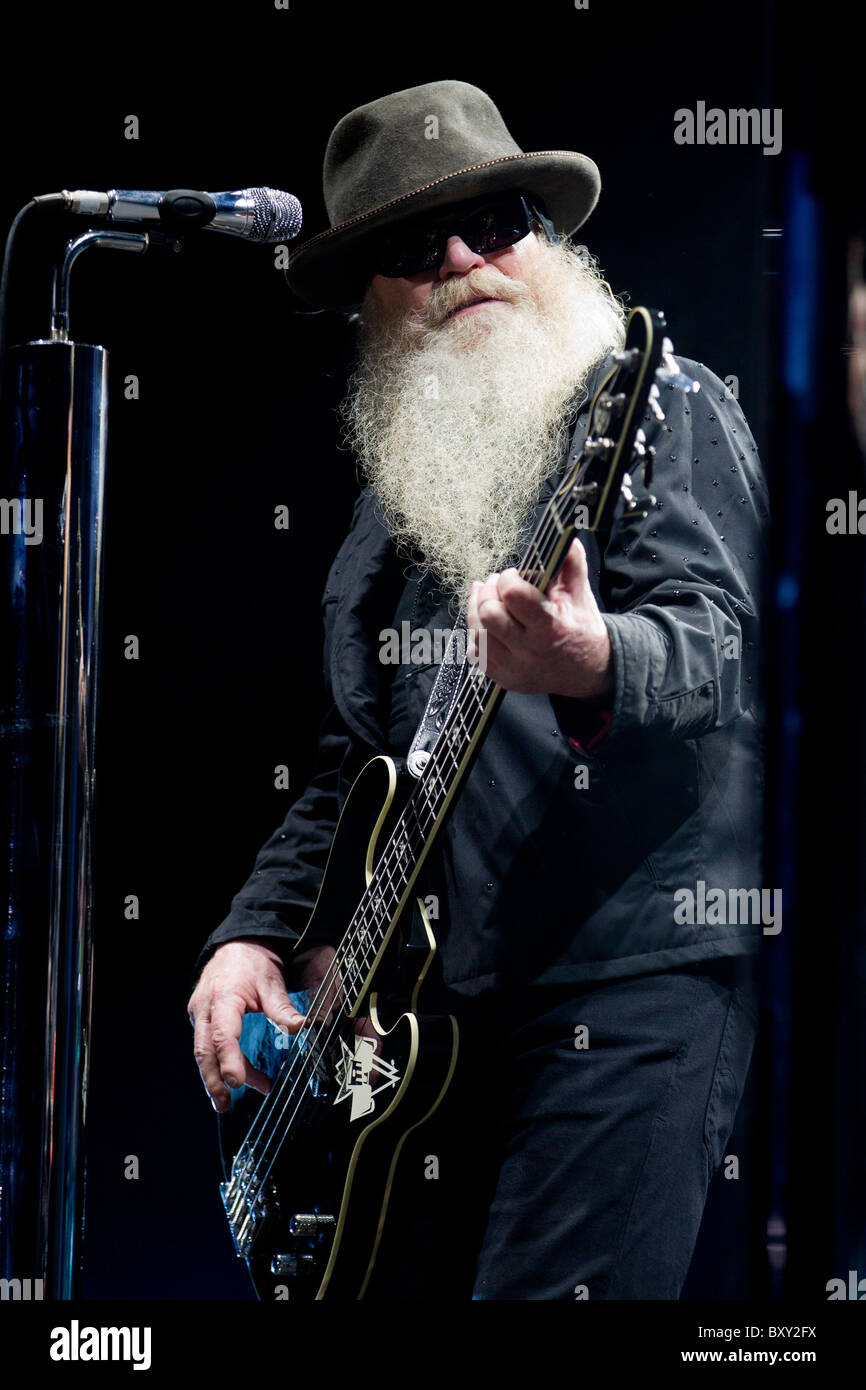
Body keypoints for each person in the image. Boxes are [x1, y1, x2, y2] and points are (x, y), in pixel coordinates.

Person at [187, 80, 768, 1300]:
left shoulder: (657, 409)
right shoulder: (385, 525)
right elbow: (356, 769)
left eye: (495, 221)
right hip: (432, 1034)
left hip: (628, 979)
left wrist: (590, 661)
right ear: (371, 304)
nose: (462, 259)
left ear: (544, 243)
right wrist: (254, 932)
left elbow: (719, 645)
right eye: (411, 246)